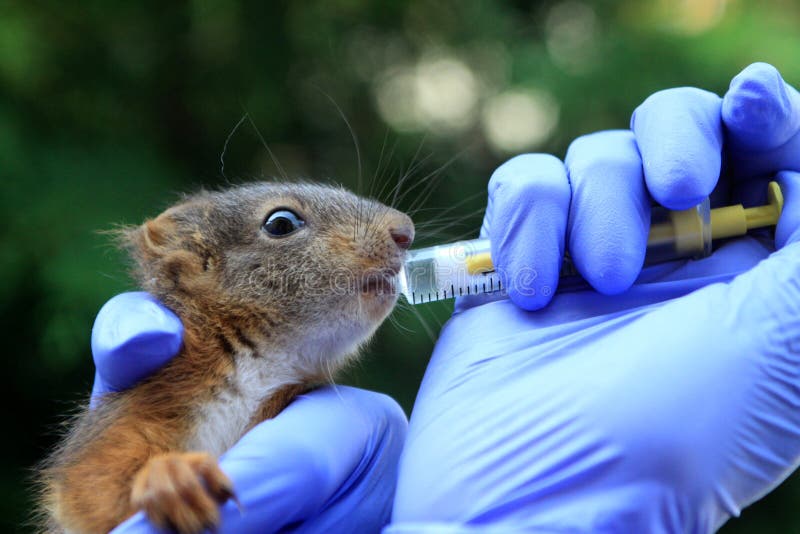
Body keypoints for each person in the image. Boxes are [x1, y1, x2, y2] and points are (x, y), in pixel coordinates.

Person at [93, 62, 800, 533]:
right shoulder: (165, 391)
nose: (400, 232)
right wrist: (151, 479)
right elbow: (85, 499)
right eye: (284, 225)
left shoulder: (313, 420)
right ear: (194, 263)